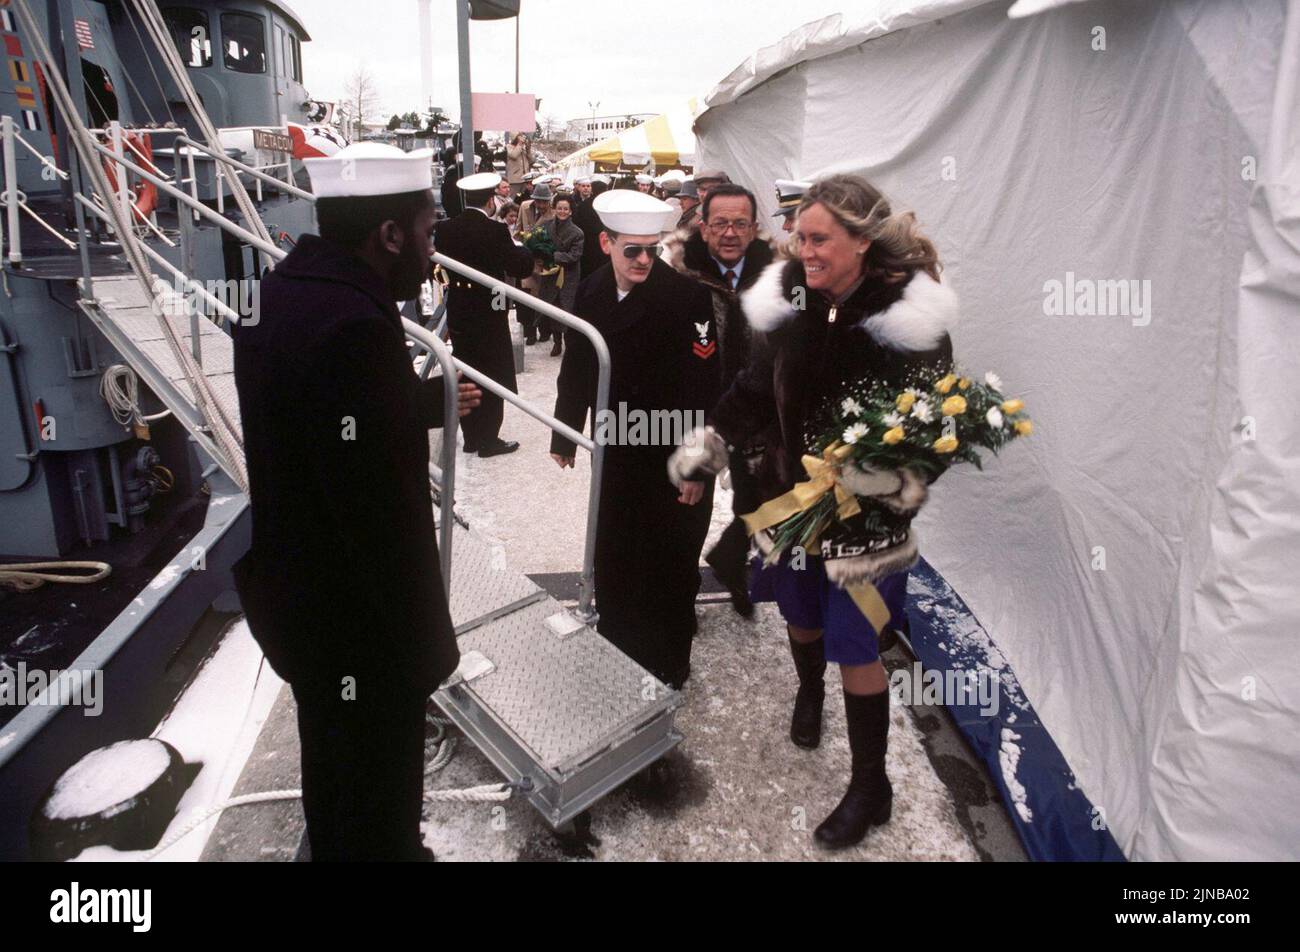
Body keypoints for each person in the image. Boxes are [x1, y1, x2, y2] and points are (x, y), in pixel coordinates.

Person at [668, 174, 956, 849]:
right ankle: (807, 693)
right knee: (799, 618)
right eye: (800, 236)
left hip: (868, 525)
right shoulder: (792, 298)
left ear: (862, 240)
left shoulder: (910, 323)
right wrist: (705, 451)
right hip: (790, 506)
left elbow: (941, 433)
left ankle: (868, 784)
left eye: (819, 238)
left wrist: (880, 479)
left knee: (857, 645)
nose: (803, 249)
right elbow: (749, 389)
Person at [232, 142, 481, 861]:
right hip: (360, 624)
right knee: (377, 783)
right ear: (390, 234)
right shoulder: (356, 327)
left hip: (300, 602)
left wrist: (412, 401)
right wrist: (423, 645)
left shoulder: (279, 295)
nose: (432, 249)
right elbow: (381, 514)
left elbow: (313, 427)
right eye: (429, 231)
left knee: (334, 770)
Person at [551, 190, 720, 689]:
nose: (645, 259)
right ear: (606, 243)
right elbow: (579, 361)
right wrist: (565, 430)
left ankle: (669, 662)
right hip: (617, 446)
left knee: (669, 560)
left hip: (672, 450)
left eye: (652, 248)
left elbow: (703, 386)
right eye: (632, 250)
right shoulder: (593, 289)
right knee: (616, 553)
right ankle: (619, 646)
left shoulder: (688, 298)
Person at [664, 182, 774, 617]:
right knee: (690, 506)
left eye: (740, 224)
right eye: (721, 223)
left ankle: (733, 564)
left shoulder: (779, 275)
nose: (730, 233)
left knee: (762, 500)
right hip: (695, 410)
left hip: (754, 412)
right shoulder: (676, 275)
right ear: (704, 228)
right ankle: (682, 595)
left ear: (754, 228)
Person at [435, 170, 535, 457]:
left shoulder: (445, 229)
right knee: (493, 371)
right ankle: (488, 439)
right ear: (491, 200)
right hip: (490, 308)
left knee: (466, 370)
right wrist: (520, 247)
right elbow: (521, 267)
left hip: (459, 307)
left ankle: (471, 436)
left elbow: (438, 269)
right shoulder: (495, 231)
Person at [536, 193, 584, 357]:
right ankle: (556, 343)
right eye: (559, 208)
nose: (562, 211)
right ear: (554, 209)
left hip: (568, 275)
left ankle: (569, 342)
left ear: (570, 211)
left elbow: (575, 256)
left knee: (567, 308)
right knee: (552, 307)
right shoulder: (546, 226)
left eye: (566, 209)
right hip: (550, 273)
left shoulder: (577, 233)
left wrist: (553, 255)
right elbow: (538, 244)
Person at [575, 175, 610, 281]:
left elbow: (577, 227)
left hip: (587, 251)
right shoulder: (610, 205)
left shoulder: (583, 206)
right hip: (605, 249)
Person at [506, 132, 531, 196]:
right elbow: (514, 155)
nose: (522, 138)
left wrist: (528, 149)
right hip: (515, 180)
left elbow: (531, 160)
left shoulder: (522, 148)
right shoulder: (509, 147)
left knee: (524, 198)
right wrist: (520, 144)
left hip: (525, 179)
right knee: (513, 198)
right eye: (520, 136)